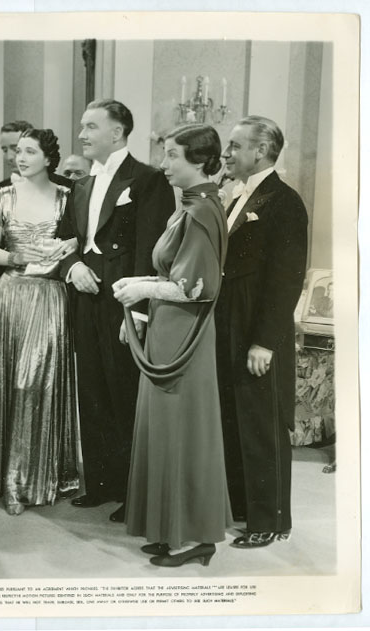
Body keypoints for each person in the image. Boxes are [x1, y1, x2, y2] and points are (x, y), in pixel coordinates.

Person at [114, 124, 231, 567]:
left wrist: (139, 292)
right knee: (165, 429)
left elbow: (195, 287)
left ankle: (193, 538)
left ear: (198, 161)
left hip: (185, 331)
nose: (163, 165)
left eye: (172, 156)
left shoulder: (201, 211)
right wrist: (142, 294)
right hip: (169, 326)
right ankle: (170, 530)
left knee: (183, 430)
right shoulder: (189, 207)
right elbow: (172, 276)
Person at [58, 99, 175, 521]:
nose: (83, 134)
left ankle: (132, 490)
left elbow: (150, 251)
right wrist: (73, 269)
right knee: (90, 390)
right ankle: (101, 483)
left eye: (91, 127)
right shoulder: (82, 185)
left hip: (124, 302)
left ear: (118, 131)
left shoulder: (146, 180)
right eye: (82, 126)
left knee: (123, 392)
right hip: (85, 300)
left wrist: (141, 313)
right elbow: (65, 241)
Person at [216, 115, 308, 548]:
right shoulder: (238, 195)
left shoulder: (283, 201)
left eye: (235, 146)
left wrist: (264, 342)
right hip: (232, 319)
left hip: (258, 327)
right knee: (237, 419)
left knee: (262, 424)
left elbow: (287, 279)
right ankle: (243, 509)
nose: (227, 153)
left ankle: (269, 520)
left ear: (261, 151)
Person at [0, 128, 79, 515]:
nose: (20, 158)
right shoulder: (3, 197)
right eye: (18, 151)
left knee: (34, 380)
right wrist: (16, 258)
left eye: (30, 152)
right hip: (12, 294)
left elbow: (79, 241)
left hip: (50, 295)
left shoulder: (68, 198)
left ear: (48, 159)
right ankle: (11, 480)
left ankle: (36, 477)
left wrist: (66, 246)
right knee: (11, 379)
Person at [0, 120, 72, 191]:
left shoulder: (65, 186)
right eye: (5, 150)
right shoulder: (2, 187)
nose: (9, 157)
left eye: (16, 149)